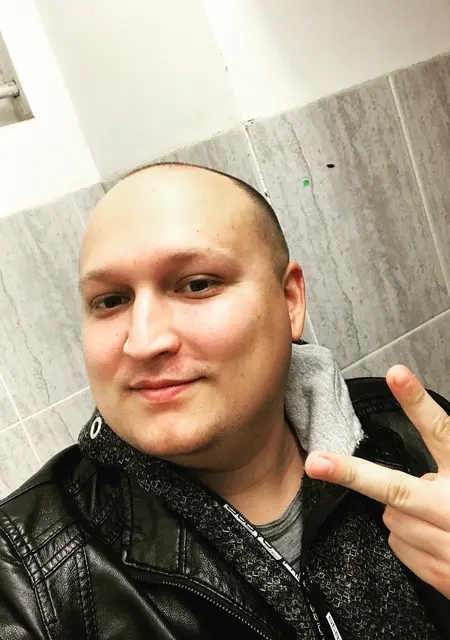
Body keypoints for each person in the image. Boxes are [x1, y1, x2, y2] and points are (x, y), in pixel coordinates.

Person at [0, 162, 449, 640]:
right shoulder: (25, 577)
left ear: (290, 300)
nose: (144, 342)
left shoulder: (411, 438)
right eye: (110, 301)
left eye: (197, 284)